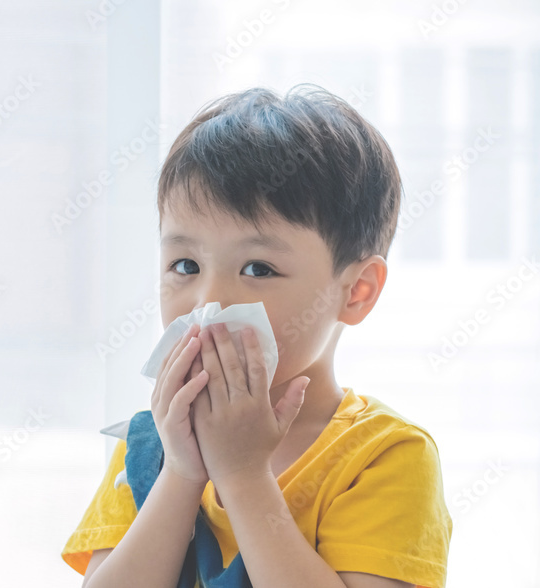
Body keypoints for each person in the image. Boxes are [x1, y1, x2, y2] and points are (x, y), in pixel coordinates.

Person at [61, 84, 452, 588]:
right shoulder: (153, 441)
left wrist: (243, 474)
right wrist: (181, 473)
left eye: (258, 268)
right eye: (185, 265)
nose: (207, 304)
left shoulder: (383, 456)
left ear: (356, 291)